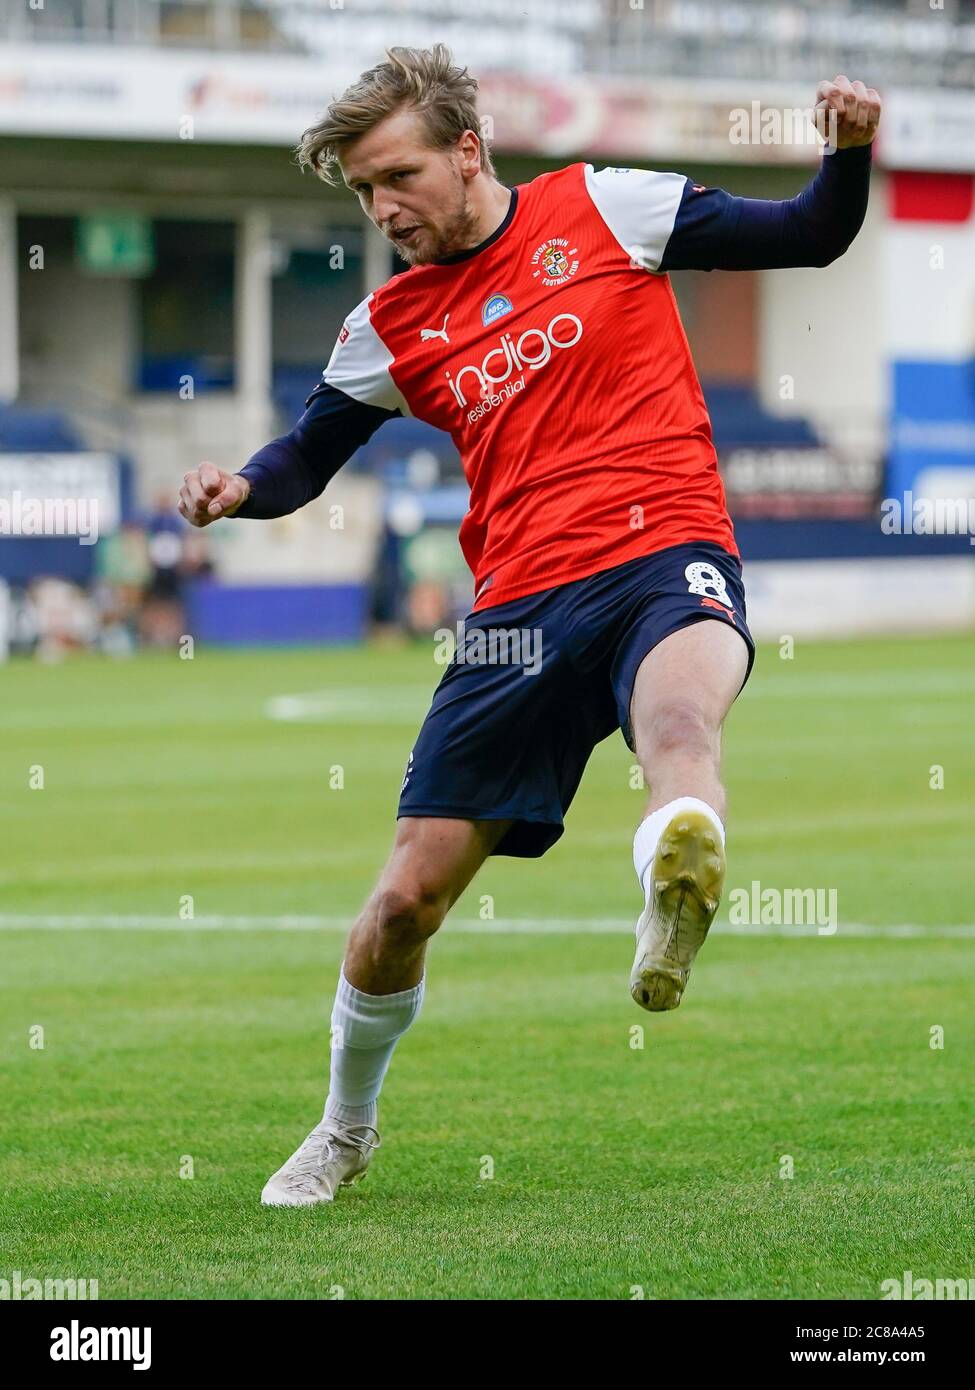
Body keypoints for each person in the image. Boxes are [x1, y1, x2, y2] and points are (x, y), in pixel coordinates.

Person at [177, 46, 880, 1207]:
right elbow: (308, 451)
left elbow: (809, 232)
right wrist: (241, 491)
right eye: (362, 192)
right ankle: (345, 1129)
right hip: (515, 616)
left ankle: (670, 884)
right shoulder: (392, 322)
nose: (382, 207)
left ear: (468, 149)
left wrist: (848, 154)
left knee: (681, 722)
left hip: (665, 550)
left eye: (397, 175)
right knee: (403, 901)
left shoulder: (605, 205)